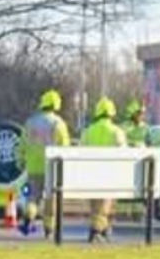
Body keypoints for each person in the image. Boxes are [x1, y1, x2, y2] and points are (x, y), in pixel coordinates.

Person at [20, 89, 71, 237]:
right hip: (52, 168)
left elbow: (22, 144)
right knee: (51, 199)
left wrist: (21, 160)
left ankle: (29, 216)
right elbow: (64, 146)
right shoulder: (58, 123)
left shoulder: (30, 122)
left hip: (33, 166)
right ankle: (49, 228)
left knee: (32, 197)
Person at [82, 96, 128, 242]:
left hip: (91, 173)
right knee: (105, 204)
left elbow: (81, 150)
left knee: (95, 205)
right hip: (110, 174)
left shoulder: (89, 131)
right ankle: (98, 230)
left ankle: (97, 228)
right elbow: (123, 151)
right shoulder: (116, 131)